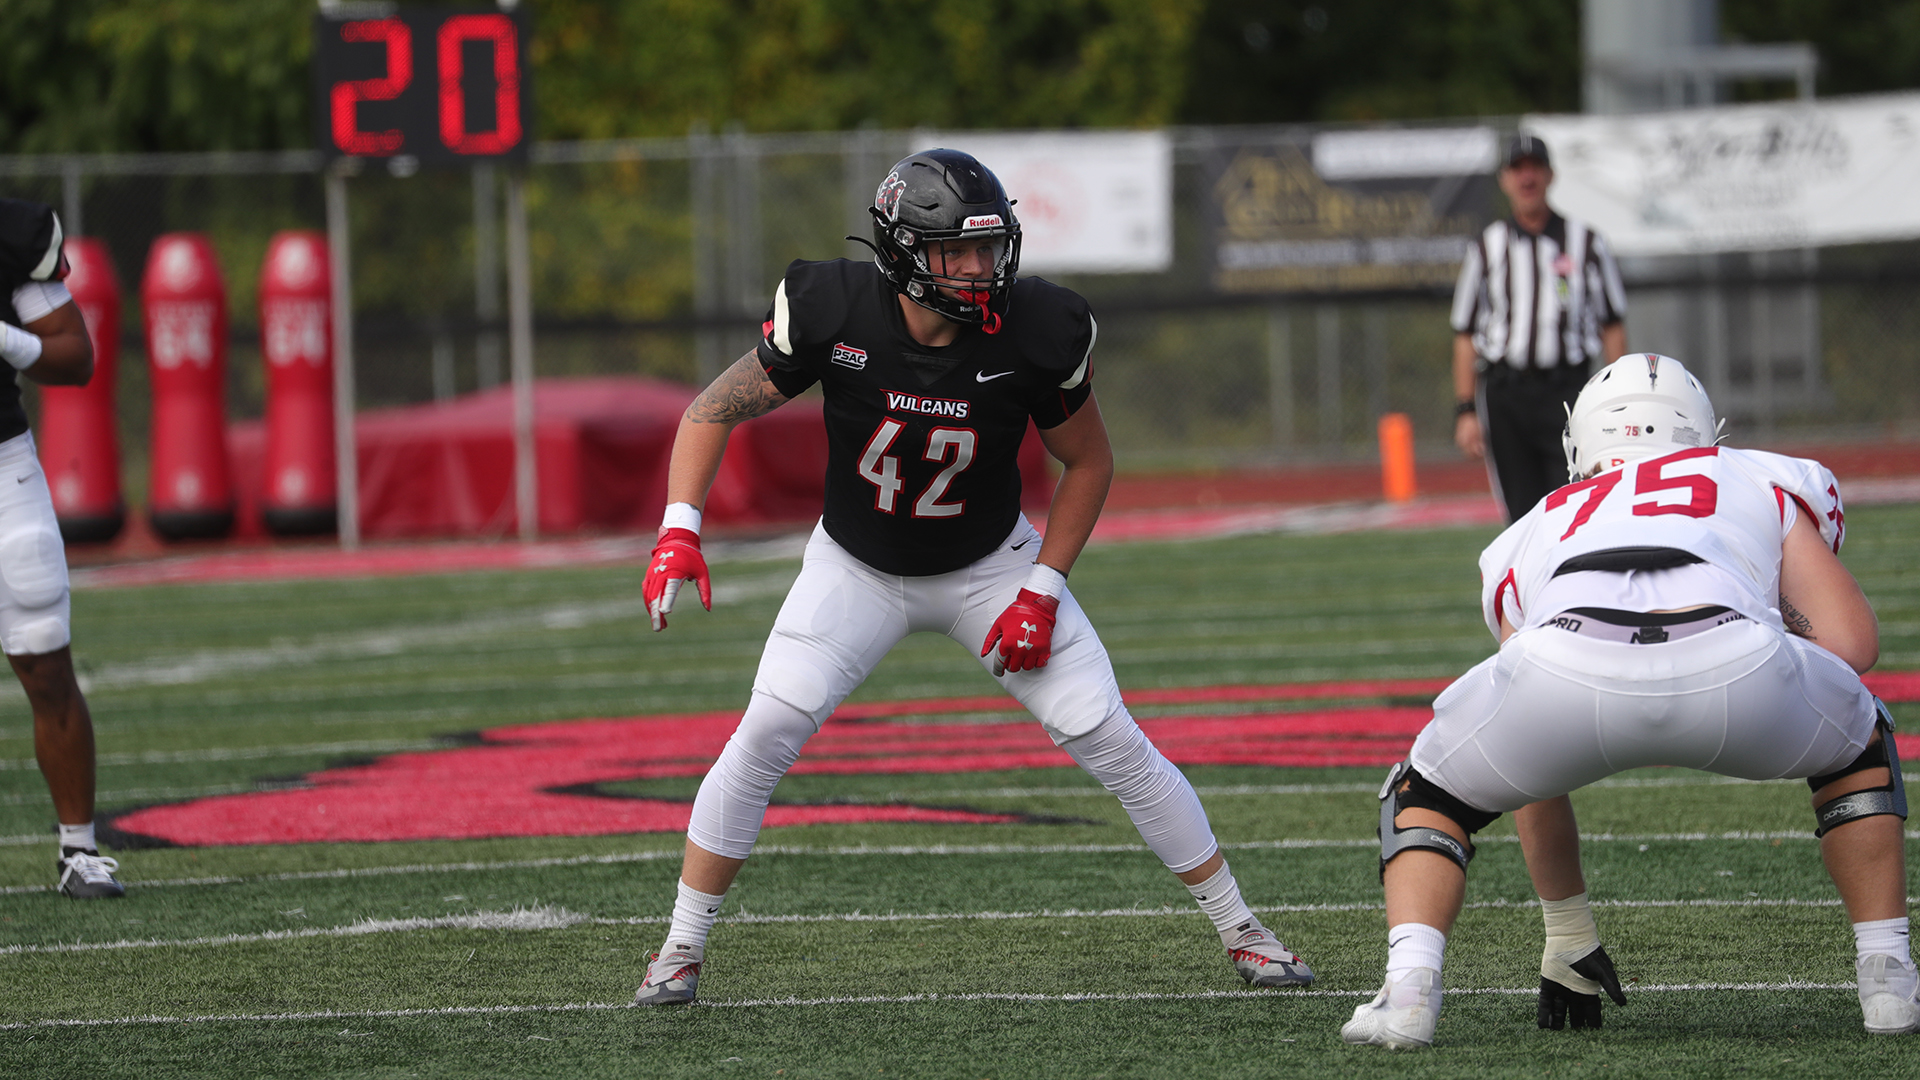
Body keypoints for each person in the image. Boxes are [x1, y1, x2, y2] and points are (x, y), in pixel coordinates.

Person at [634, 149, 1313, 1005]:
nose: (980, 269)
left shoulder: (1038, 326)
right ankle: (680, 948)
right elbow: (709, 411)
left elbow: (1090, 464)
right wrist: (678, 530)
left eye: (989, 250)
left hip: (991, 565)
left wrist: (1043, 589)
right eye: (957, 252)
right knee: (766, 730)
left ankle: (1244, 929)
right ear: (903, 252)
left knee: (1106, 732)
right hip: (857, 564)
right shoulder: (831, 308)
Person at [1343, 353, 1913, 1049]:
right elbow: (1852, 645)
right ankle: (1887, 976)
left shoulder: (1537, 521)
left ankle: (1409, 993)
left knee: (1423, 794)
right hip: (1734, 658)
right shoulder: (1751, 474)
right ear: (1703, 432)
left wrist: (1568, 932)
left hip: (1564, 658)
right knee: (1860, 735)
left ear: (1580, 442)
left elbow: (1530, 767)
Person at [0, 199, 122, 899]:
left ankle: (79, 850)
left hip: (2, 465)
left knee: (44, 649)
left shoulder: (10, 235)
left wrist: (7, 340)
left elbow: (76, 357)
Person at [1451, 134, 1629, 525]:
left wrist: (1617, 399)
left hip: (1568, 391)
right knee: (1520, 512)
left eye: (1534, 167)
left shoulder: (1586, 243)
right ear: (1505, 179)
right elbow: (1465, 333)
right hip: (1507, 393)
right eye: (1518, 168)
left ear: (1550, 175)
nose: (1527, 177)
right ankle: (1531, 588)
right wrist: (1465, 409)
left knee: (1575, 503)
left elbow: (1611, 324)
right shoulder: (1487, 247)